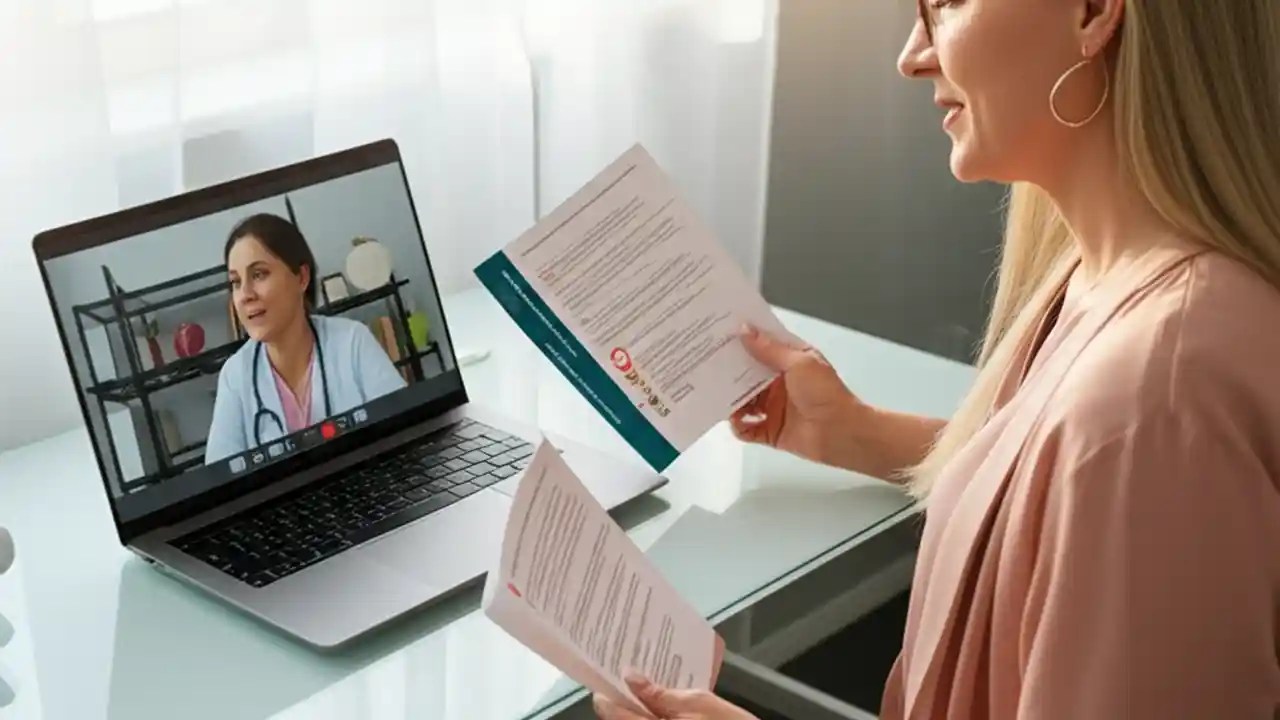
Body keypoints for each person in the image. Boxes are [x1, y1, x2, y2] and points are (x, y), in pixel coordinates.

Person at [595, 0, 1280, 718]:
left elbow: (1112, 463)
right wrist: (852, 432)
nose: (913, 55)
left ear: (1094, 11)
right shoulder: (1106, 281)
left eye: (946, 4)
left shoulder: (1160, 396)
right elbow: (1053, 499)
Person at [205, 213, 406, 464]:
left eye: (259, 274)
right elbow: (222, 482)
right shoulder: (235, 376)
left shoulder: (352, 342)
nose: (245, 295)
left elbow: (407, 438)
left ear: (301, 277)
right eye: (235, 282)